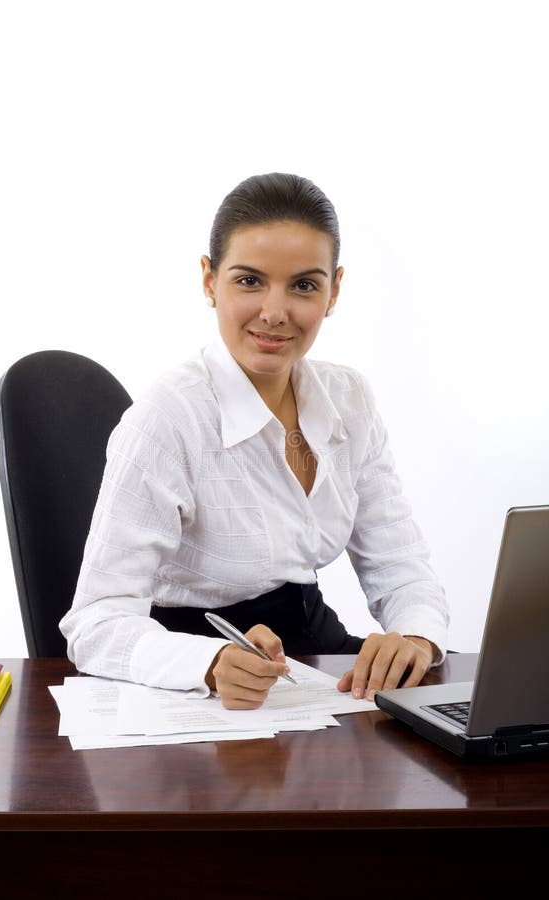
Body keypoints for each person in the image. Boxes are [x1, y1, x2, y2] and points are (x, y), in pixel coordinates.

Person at [59, 172, 449, 710]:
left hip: (312, 658)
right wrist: (208, 663)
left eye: (304, 285)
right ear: (208, 279)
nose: (274, 311)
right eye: (249, 281)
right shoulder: (168, 417)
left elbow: (400, 564)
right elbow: (95, 622)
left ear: (334, 290)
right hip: (195, 669)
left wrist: (416, 638)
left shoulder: (349, 399)